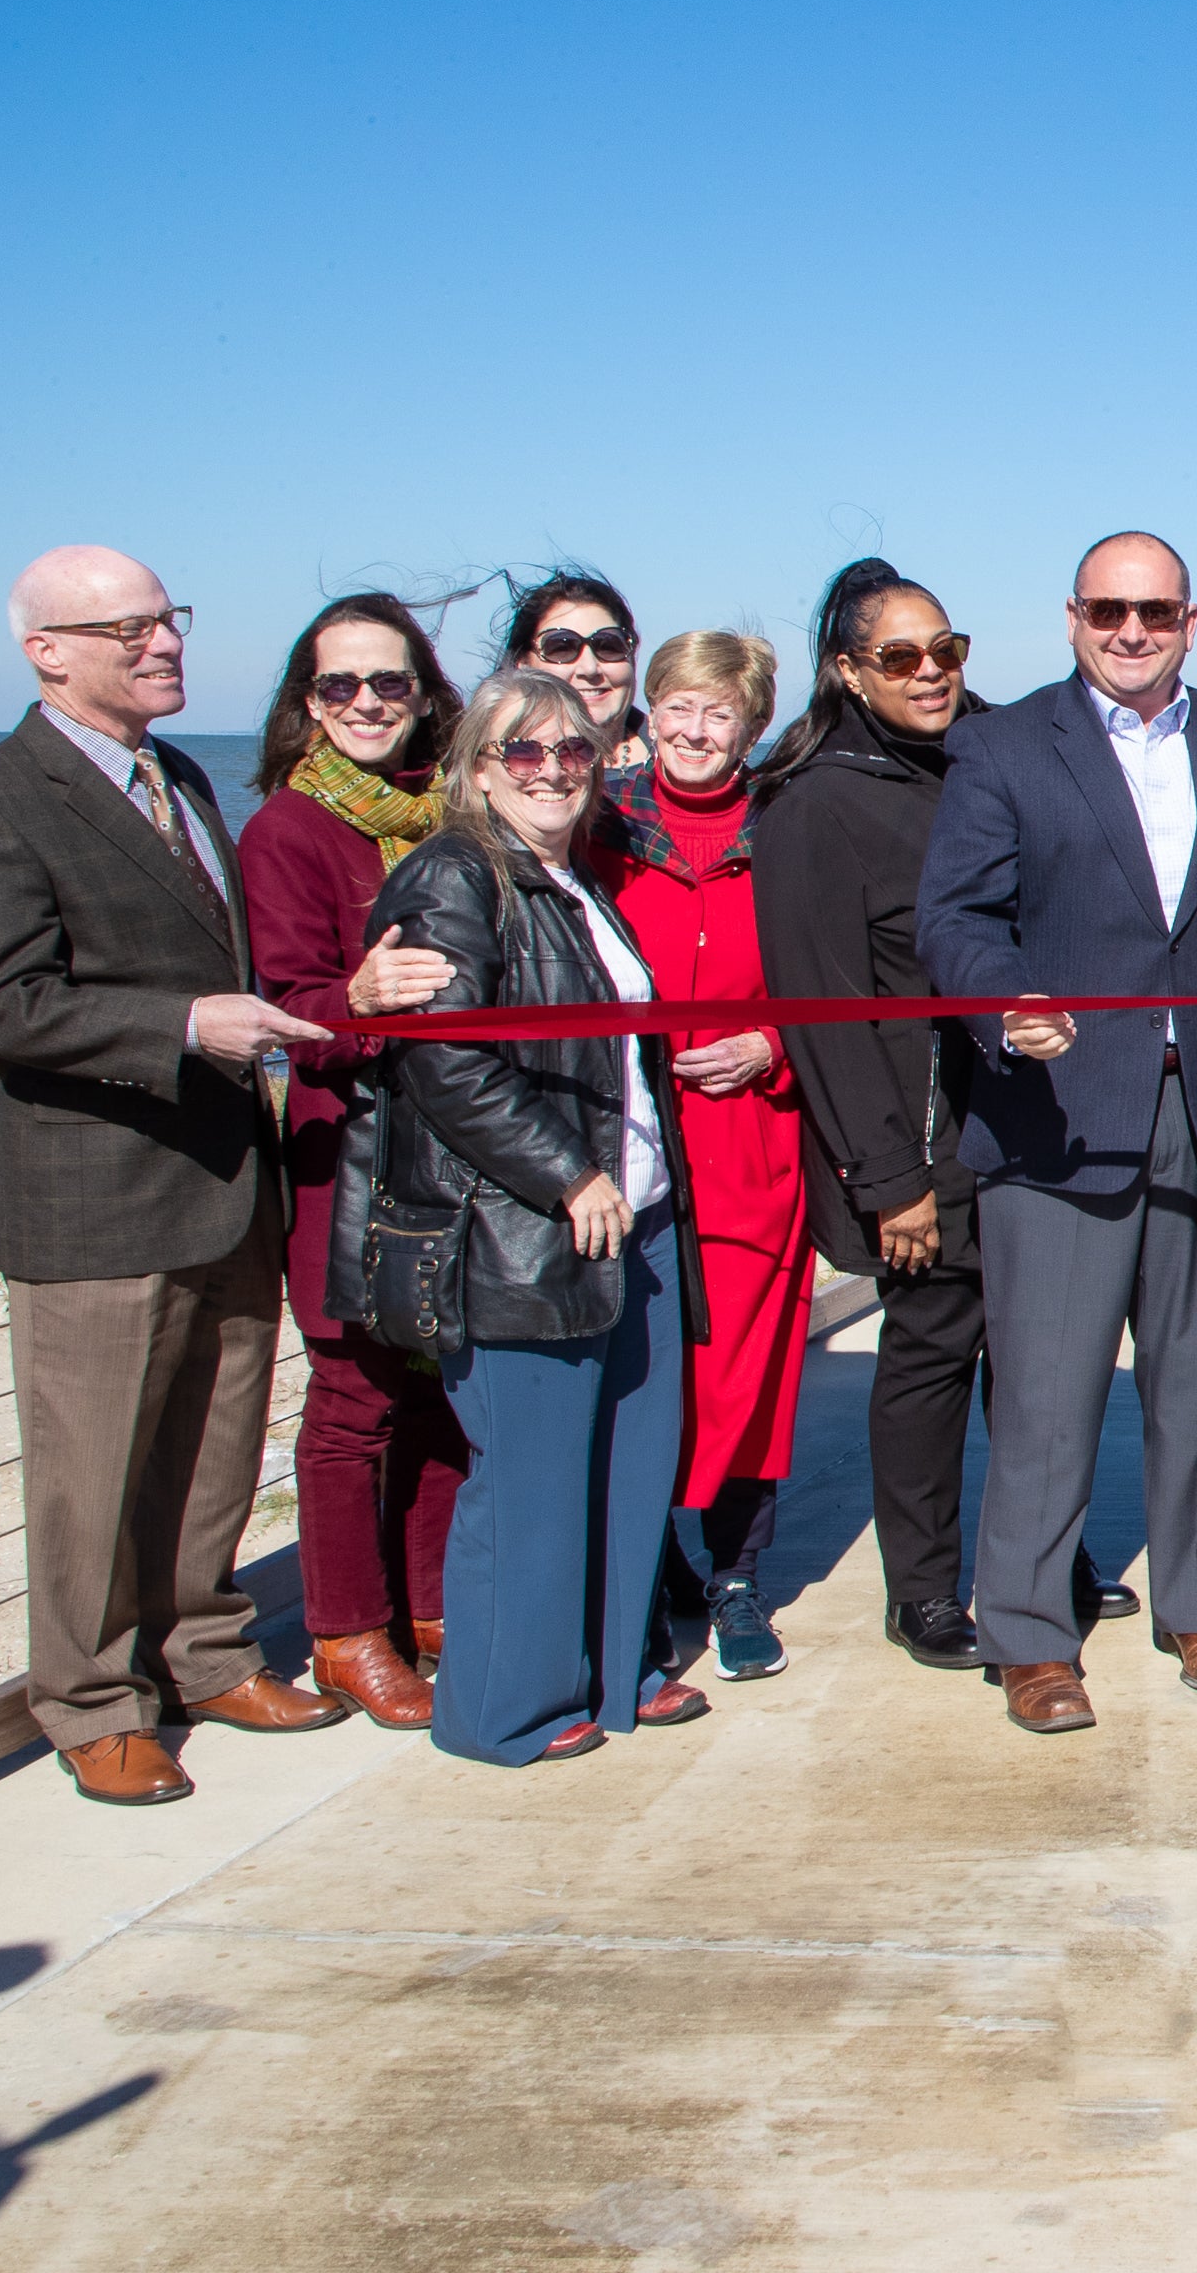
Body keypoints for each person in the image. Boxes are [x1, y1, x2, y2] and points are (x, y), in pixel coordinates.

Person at [0, 547, 350, 1805]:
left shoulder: (177, 778)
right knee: (92, 1471)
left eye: (171, 619)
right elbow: (5, 1004)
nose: (165, 644)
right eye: (131, 628)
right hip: (96, 1199)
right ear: (46, 652)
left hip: (227, 1181)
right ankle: (92, 1700)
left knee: (217, 1447)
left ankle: (205, 1652)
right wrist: (185, 1025)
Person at [920, 529, 1197, 1727]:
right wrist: (1006, 1006)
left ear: (1191, 624)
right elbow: (955, 918)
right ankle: (1028, 1634)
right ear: (1071, 618)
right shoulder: (1005, 743)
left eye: (1155, 613)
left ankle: (1195, 1607)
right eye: (1109, 610)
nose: (1131, 632)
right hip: (1056, 1115)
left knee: (1193, 1387)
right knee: (1049, 1396)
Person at [351, 668, 713, 1764]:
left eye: (575, 752)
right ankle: (503, 1708)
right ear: (474, 769)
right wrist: (565, 1174)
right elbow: (445, 1062)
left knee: (629, 1471)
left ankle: (612, 1676)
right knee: (532, 1485)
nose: (553, 770)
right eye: (525, 752)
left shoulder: (573, 881)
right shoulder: (453, 876)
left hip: (636, 1222)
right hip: (526, 1234)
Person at [234, 593, 474, 1725]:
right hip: (351, 1152)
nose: (368, 704)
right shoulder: (290, 829)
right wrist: (361, 1000)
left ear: (424, 693)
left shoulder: (452, 811)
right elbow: (285, 1001)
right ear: (308, 704)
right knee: (352, 1399)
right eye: (341, 686)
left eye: (390, 683)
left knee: (437, 1394)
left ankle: (434, 1610)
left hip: (453, 1147)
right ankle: (344, 1632)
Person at [754, 559, 994, 1670]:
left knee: (1032, 1356)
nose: (932, 672)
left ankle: (1036, 1554)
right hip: (913, 1137)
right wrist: (888, 1174)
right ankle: (927, 1587)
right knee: (930, 1358)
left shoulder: (989, 755)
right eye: (902, 657)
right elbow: (821, 1011)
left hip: (1019, 1121)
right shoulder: (814, 803)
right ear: (850, 670)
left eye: (947, 648)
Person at [601, 633, 810, 1681]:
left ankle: (735, 1576)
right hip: (628, 1140)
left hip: (753, 1136)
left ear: (752, 725)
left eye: (718, 713)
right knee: (640, 1366)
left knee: (746, 1368)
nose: (694, 731)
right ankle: (638, 1576)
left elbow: (835, 972)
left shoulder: (788, 826)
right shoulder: (598, 827)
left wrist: (774, 1040)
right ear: (649, 710)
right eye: (678, 707)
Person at [499, 570, 648, 770]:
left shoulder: (688, 766)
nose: (589, 668)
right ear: (523, 664)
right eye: (561, 647)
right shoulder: (488, 766)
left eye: (608, 645)